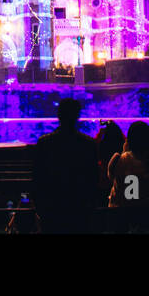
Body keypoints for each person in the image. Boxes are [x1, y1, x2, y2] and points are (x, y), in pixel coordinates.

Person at [32, 98, 100, 233]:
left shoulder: (45, 143)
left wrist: (41, 208)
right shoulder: (88, 145)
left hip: (52, 210)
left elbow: (37, 179)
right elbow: (93, 179)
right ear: (77, 116)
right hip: (79, 210)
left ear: (58, 115)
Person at [108, 120, 149, 209]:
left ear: (128, 140)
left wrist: (124, 152)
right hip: (143, 212)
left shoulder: (118, 159)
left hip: (118, 212)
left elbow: (111, 177)